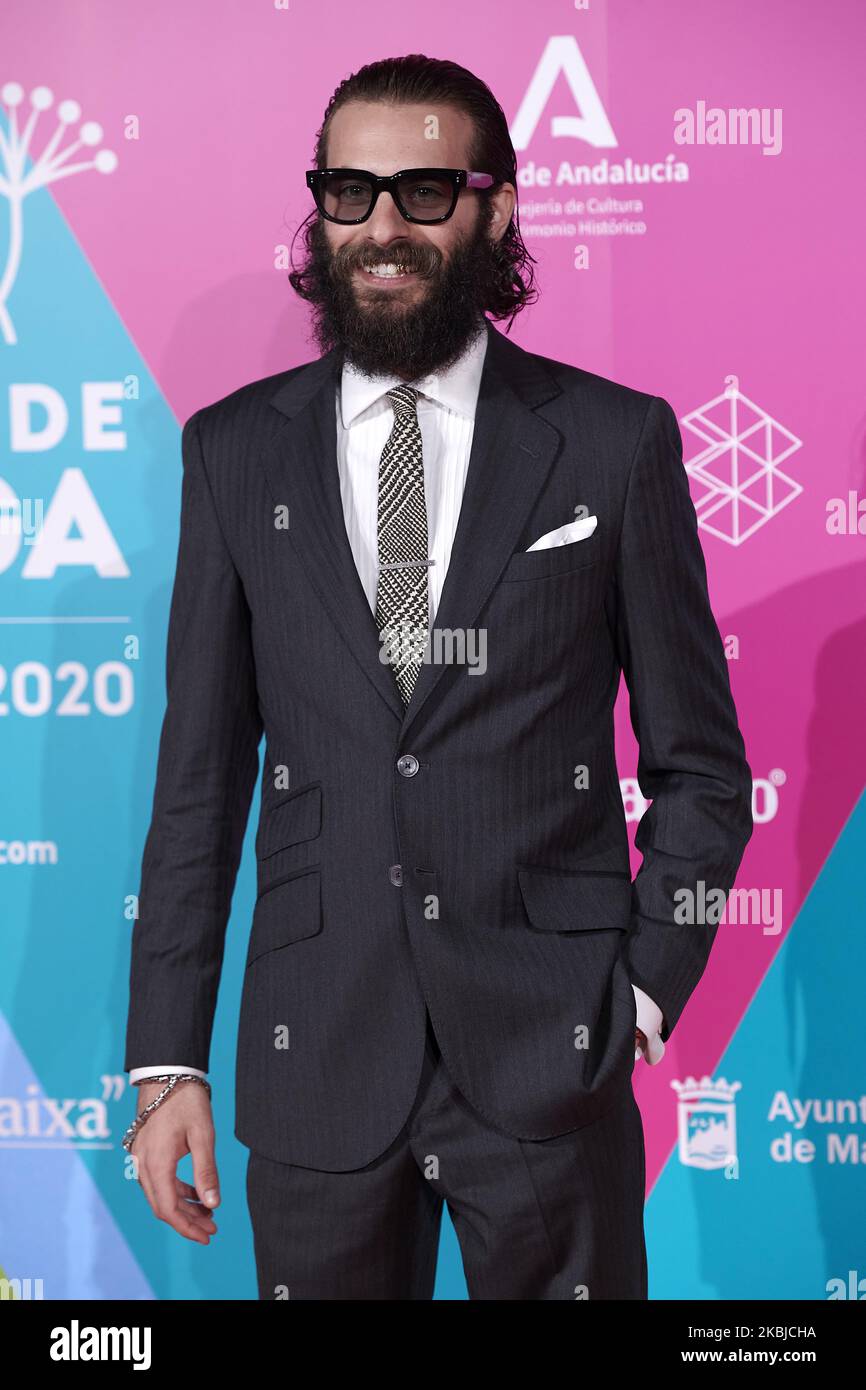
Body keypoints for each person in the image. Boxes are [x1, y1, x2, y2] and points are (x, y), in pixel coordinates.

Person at [123, 54, 753, 1300]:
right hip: (316, 1054)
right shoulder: (234, 453)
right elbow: (197, 786)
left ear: (494, 210)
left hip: (543, 1053)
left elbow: (701, 773)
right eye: (347, 193)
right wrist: (166, 1063)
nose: (380, 228)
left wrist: (633, 993)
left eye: (421, 190)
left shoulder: (613, 442)